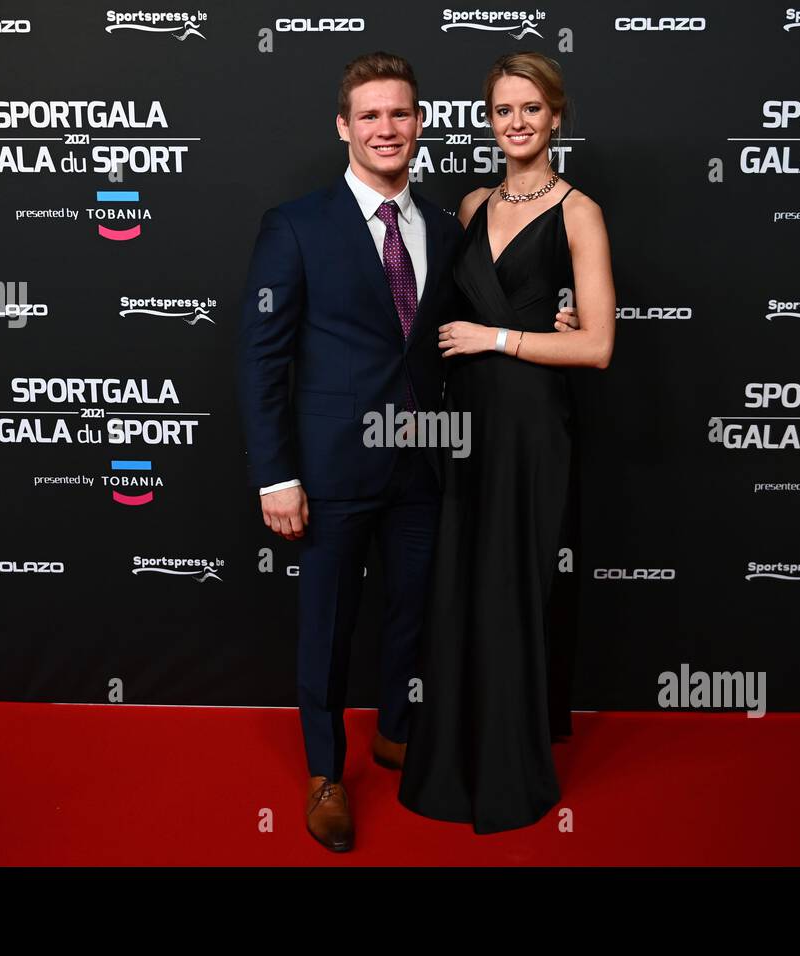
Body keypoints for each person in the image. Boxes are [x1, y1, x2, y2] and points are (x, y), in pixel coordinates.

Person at [237, 51, 580, 852]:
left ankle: (397, 729)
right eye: (370, 116)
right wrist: (276, 475)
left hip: (428, 460)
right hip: (330, 469)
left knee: (415, 612)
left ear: (420, 123)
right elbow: (260, 359)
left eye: (400, 114)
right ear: (344, 127)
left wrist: (554, 324)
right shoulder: (296, 226)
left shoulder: (448, 223)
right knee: (328, 626)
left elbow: (486, 311)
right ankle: (325, 772)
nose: (387, 129)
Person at [398, 51, 616, 834]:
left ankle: (511, 768)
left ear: (556, 115)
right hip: (468, 425)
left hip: (531, 425)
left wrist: (501, 336)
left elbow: (596, 347)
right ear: (488, 120)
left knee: (514, 588)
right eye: (502, 110)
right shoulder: (469, 206)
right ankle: (455, 757)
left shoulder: (579, 211)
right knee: (463, 586)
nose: (516, 122)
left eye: (530, 108)